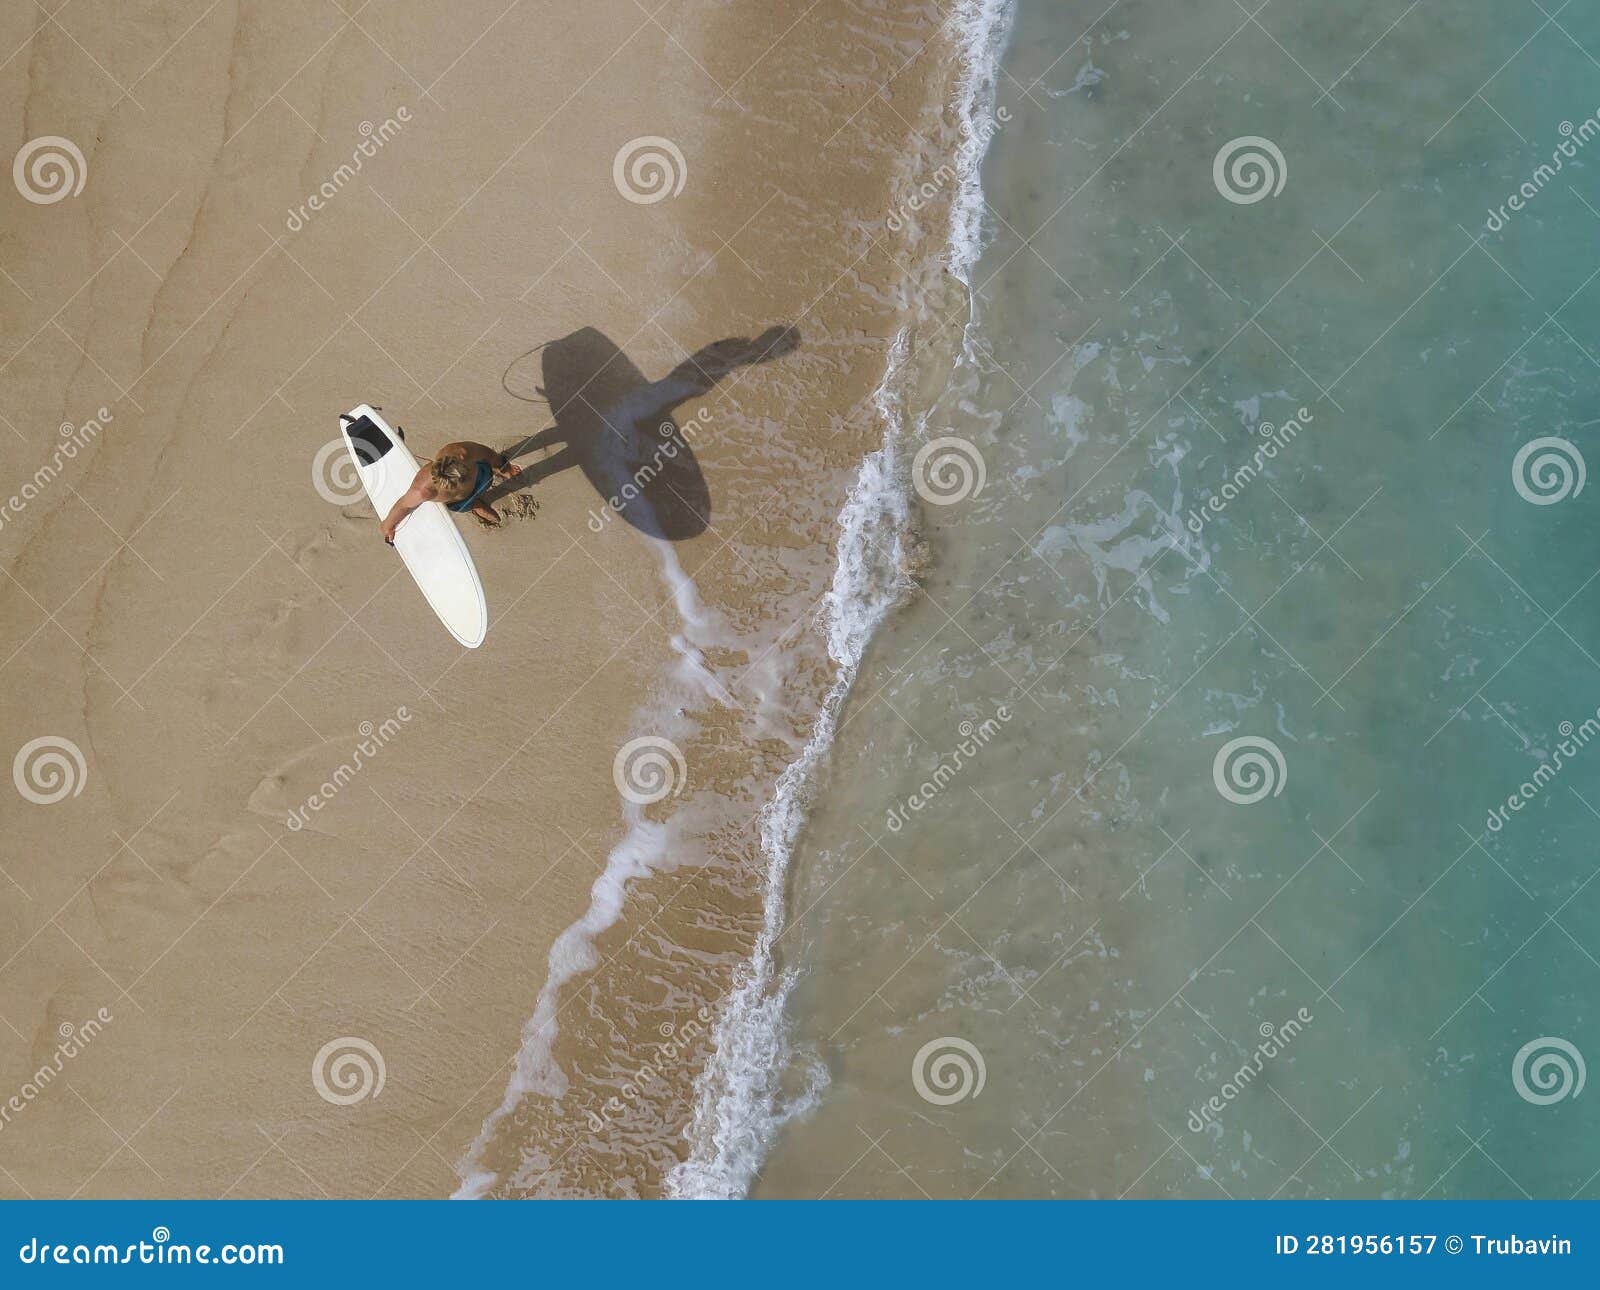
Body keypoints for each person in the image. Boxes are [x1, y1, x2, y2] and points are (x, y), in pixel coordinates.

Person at [380, 441, 521, 542]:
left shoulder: (462, 452)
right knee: (461, 504)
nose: (464, 480)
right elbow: (403, 505)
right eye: (459, 481)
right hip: (458, 501)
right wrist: (387, 526)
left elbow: (486, 453)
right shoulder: (423, 491)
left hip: (481, 476)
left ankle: (486, 482)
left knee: (487, 475)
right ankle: (474, 504)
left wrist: (503, 468)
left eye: (465, 476)